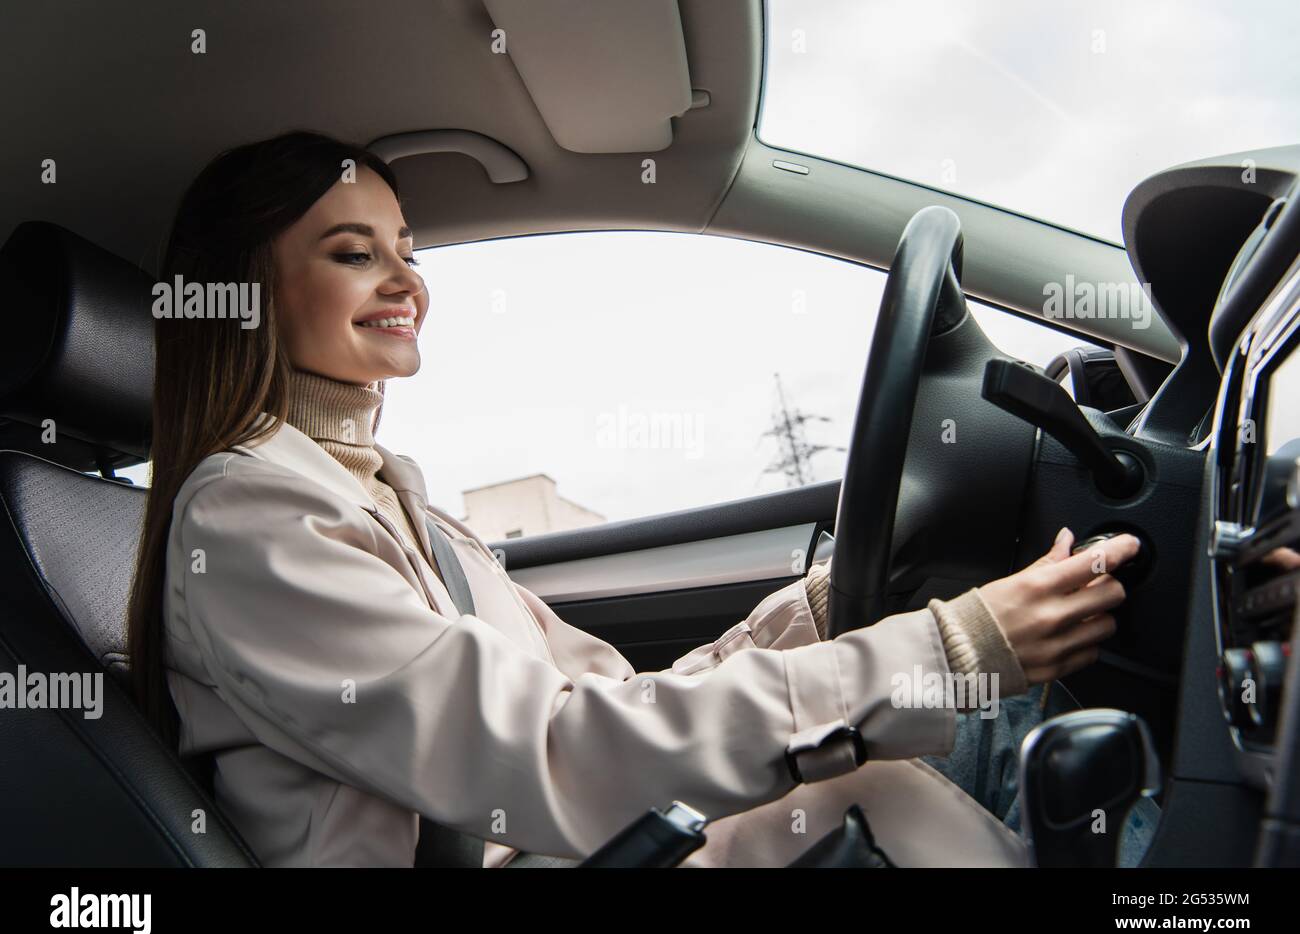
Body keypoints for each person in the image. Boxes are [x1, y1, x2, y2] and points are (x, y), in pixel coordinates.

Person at [127, 130, 1140, 867]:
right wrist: (944, 649)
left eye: (408, 251)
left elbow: (604, 705)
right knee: (908, 749)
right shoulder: (248, 516)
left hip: (576, 849)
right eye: (356, 253)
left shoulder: (404, 507)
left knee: (989, 710)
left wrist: (834, 609)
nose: (407, 281)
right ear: (244, 293)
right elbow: (556, 756)